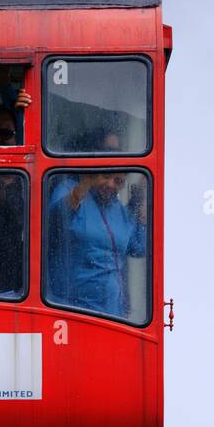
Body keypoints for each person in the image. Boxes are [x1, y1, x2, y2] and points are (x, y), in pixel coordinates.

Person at [46, 130, 147, 318]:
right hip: (71, 309)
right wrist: (84, 186)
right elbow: (53, 224)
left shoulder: (120, 211)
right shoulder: (69, 189)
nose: (110, 184)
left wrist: (141, 203)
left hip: (112, 311)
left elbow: (138, 248)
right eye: (105, 176)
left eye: (118, 181)